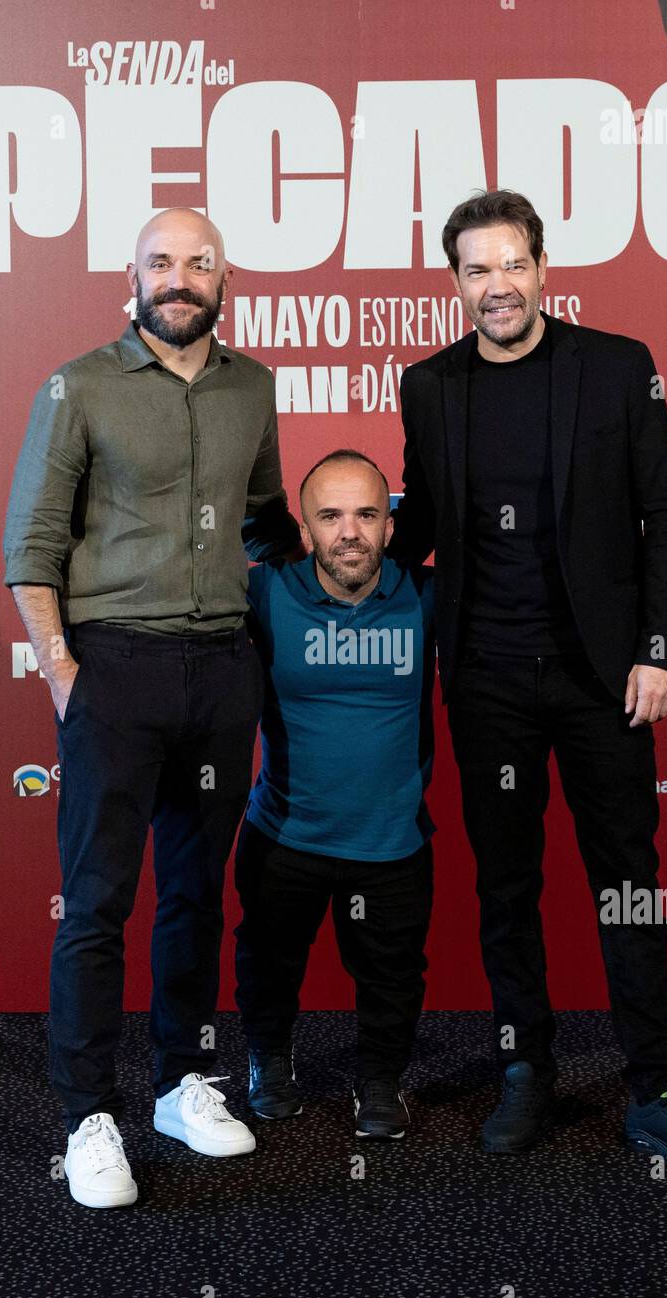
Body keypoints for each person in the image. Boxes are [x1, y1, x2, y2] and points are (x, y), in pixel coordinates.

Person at [386, 188, 667, 1173]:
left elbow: (664, 516)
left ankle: (657, 1089)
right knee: (506, 888)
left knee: (626, 885)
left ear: (542, 269)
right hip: (487, 678)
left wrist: (660, 649)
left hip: (602, 680)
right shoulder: (428, 386)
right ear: (454, 282)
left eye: (510, 264)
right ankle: (522, 1071)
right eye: (475, 269)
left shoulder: (619, 368)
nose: (495, 285)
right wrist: (329, 546)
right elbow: (417, 530)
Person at [2, 207, 303, 1207]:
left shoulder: (253, 387)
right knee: (95, 904)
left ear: (225, 280)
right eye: (160, 262)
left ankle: (180, 1085)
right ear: (130, 280)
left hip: (220, 672)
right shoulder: (78, 386)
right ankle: (87, 1114)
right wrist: (64, 672)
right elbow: (31, 548)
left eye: (198, 262)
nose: (180, 278)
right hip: (113, 671)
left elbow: (266, 523)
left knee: (193, 895)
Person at [234, 451, 436, 1139]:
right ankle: (268, 1060)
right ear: (307, 527)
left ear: (389, 524)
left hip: (392, 841)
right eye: (330, 516)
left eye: (366, 514)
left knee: (393, 977)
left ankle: (380, 1080)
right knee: (266, 966)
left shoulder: (426, 594)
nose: (349, 531)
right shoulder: (265, 593)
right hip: (284, 834)